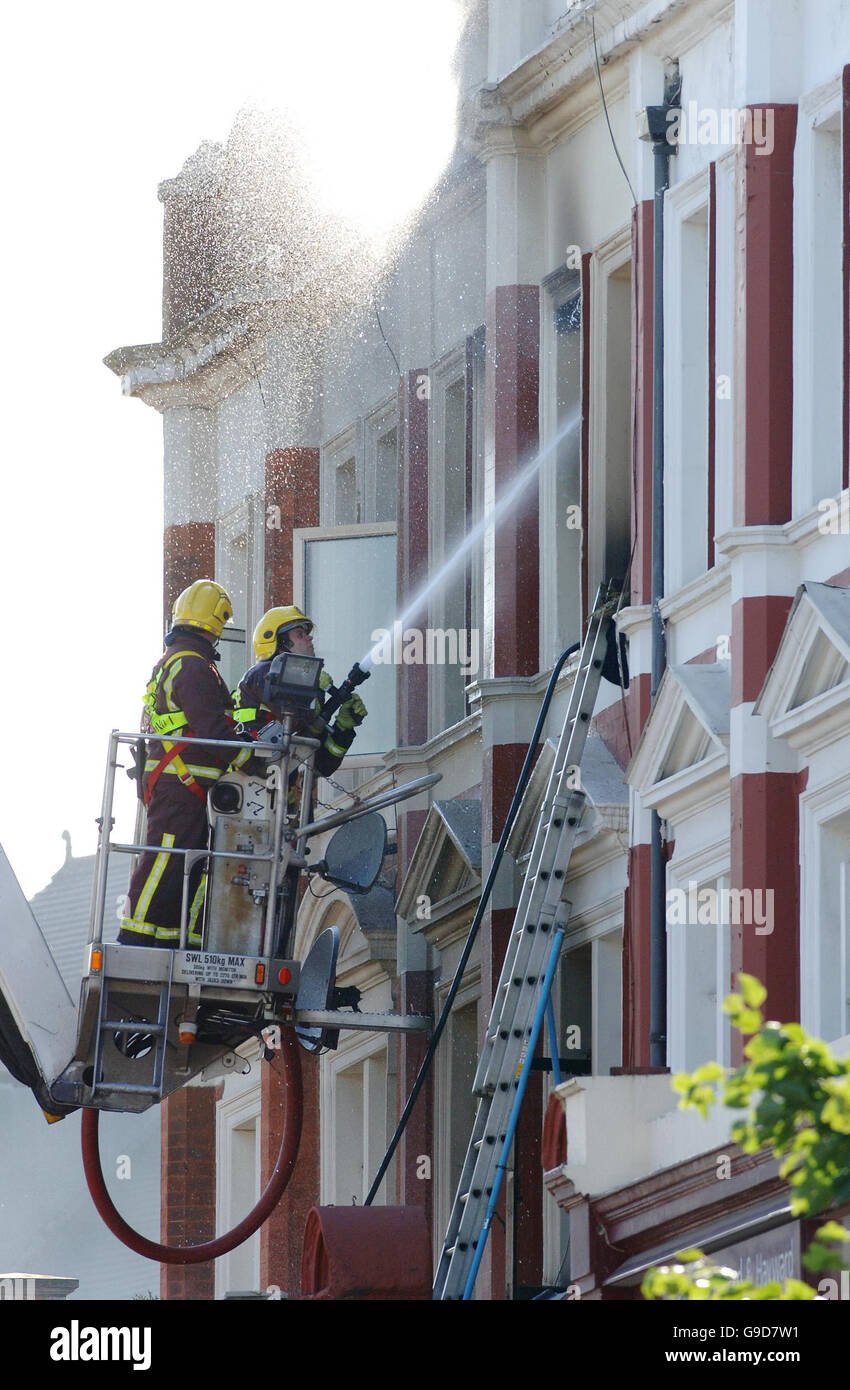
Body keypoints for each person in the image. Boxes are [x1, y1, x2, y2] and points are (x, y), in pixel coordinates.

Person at [119, 579, 253, 949]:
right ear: (215, 624)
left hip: (183, 786)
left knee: (184, 862)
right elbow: (210, 727)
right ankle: (136, 937)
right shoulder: (193, 667)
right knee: (166, 858)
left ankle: (175, 939)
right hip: (180, 785)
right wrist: (250, 759)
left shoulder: (177, 661)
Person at [233, 605, 367, 789]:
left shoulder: (308, 691)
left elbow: (322, 766)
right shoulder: (262, 674)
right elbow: (293, 721)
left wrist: (342, 729)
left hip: (284, 799)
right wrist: (310, 686)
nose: (309, 637)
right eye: (299, 634)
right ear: (280, 643)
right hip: (254, 784)